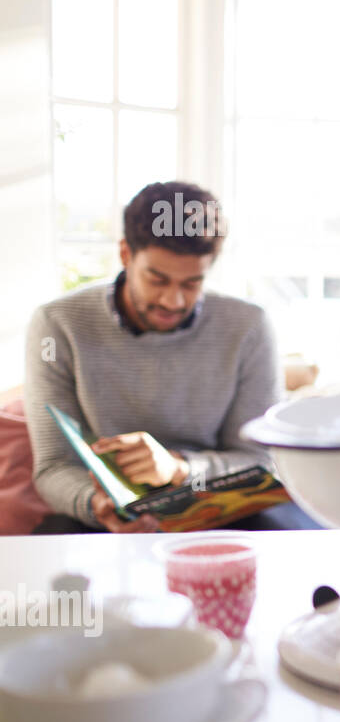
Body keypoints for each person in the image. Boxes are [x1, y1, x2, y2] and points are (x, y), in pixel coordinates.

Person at [24, 180, 318, 532]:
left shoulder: (249, 327)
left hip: (222, 504)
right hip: (109, 513)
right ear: (124, 255)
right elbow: (54, 466)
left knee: (299, 532)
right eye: (157, 280)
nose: (173, 302)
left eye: (191, 283)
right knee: (52, 539)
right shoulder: (58, 324)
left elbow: (260, 459)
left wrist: (178, 468)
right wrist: (97, 505)